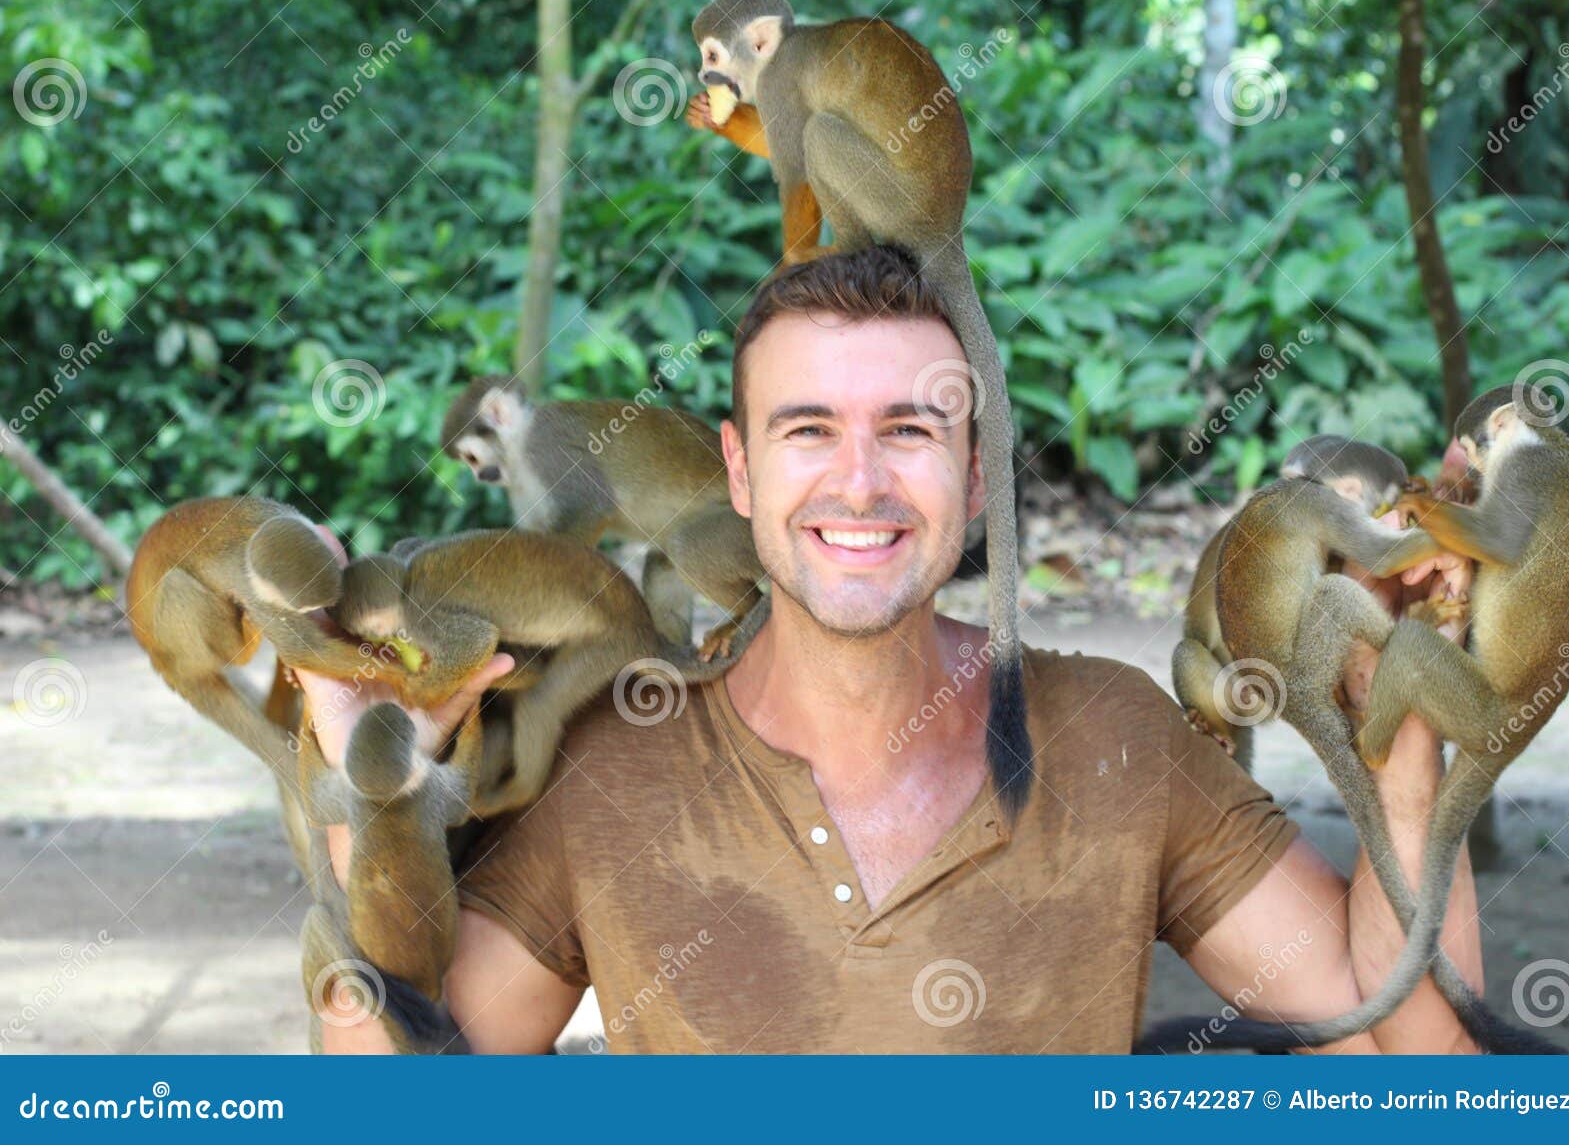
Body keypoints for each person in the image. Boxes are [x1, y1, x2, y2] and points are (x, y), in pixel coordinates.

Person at [300, 245, 1482, 1054]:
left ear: (974, 479)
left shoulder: (1111, 731)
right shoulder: (614, 763)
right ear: (738, 472)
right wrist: (362, 789)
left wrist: (1406, 734)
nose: (859, 479)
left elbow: (1407, 1045)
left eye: (908, 429)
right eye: (808, 428)